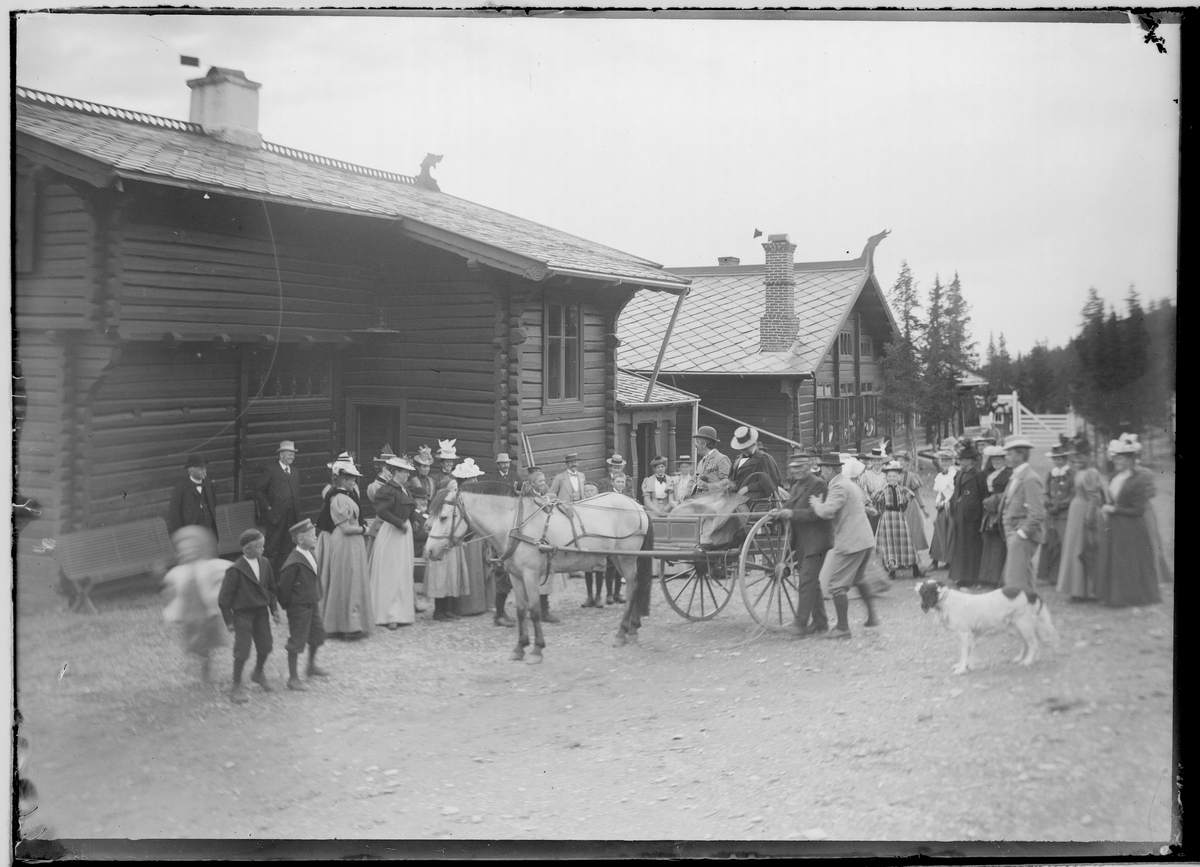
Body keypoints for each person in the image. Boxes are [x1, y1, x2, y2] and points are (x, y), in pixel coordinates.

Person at [808, 453, 880, 639]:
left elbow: (826, 512)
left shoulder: (838, 486)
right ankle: (872, 617)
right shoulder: (849, 483)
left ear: (831, 470)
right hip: (864, 540)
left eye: (822, 469)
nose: (820, 472)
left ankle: (842, 628)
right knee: (857, 579)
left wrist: (816, 503)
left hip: (851, 542)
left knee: (837, 586)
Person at [1096, 434, 1162, 608]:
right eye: (1116, 456)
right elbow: (1112, 498)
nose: (1116, 460)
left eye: (1121, 457)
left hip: (1131, 527)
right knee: (1117, 561)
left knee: (1129, 561)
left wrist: (1114, 509)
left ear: (1132, 459)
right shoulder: (1115, 477)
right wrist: (1107, 505)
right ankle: (1115, 596)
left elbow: (1138, 510)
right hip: (1115, 525)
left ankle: (1131, 597)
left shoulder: (1140, 479)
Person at [218, 528, 280, 704]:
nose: (263, 550)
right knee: (242, 650)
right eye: (259, 547)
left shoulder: (265, 563)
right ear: (247, 550)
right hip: (242, 615)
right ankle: (236, 685)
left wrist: (274, 610)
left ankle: (258, 673)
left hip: (261, 613)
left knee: (266, 645)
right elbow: (223, 599)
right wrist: (229, 621)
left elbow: (271, 589)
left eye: (263, 546)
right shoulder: (235, 570)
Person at [773, 450, 831, 636]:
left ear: (808, 467)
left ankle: (800, 624)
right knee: (812, 582)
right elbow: (790, 507)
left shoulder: (819, 485)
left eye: (799, 468)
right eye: (793, 468)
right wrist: (779, 513)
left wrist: (792, 514)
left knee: (806, 580)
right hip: (802, 543)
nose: (795, 471)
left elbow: (817, 513)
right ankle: (821, 623)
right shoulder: (797, 485)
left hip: (818, 542)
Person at [161, 526, 229, 683]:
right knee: (193, 642)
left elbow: (224, 570)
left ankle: (206, 665)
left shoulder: (208, 566)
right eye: (183, 551)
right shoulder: (179, 571)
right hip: (189, 613)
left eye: (192, 550)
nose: (188, 554)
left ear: (200, 549)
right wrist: (168, 591)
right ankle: (201, 658)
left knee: (207, 639)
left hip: (205, 612)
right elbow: (171, 587)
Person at [316, 459, 372, 640]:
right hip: (346, 542)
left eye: (353, 478)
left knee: (353, 580)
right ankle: (347, 626)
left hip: (353, 544)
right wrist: (364, 530)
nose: (353, 482)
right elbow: (345, 528)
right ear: (341, 479)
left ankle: (352, 623)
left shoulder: (347, 496)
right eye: (350, 478)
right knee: (346, 581)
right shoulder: (338, 499)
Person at [276, 519, 329, 691]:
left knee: (318, 635)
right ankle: (293, 678)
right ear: (300, 540)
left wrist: (317, 595)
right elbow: (283, 588)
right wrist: (289, 607)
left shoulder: (311, 553)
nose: (315, 538)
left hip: (312, 602)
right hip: (298, 607)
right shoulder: (294, 562)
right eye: (312, 536)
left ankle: (311, 667)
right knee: (297, 641)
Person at [369, 455, 419, 630]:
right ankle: (388, 615)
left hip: (403, 534)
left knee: (402, 571)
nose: (408, 475)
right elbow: (382, 511)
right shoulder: (387, 490)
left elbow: (410, 507)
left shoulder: (404, 489)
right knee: (390, 573)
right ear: (396, 472)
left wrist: (414, 520)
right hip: (392, 533)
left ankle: (402, 612)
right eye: (405, 472)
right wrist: (399, 523)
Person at [1055, 441, 1107, 601]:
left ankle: (1088, 591)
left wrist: (1089, 518)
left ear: (1089, 456)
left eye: (1082, 456)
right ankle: (1078, 590)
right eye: (1076, 457)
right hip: (1076, 513)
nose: (1078, 460)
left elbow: (1094, 497)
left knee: (1083, 549)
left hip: (1085, 514)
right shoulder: (1080, 472)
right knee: (1074, 549)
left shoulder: (1090, 473)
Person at [999, 436, 1044, 593]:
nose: (1006, 457)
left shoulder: (1030, 479)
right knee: (1023, 576)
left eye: (1009, 453)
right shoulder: (1016, 476)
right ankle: (1031, 609)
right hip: (1013, 534)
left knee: (1014, 581)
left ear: (1021, 455)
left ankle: (1019, 611)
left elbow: (1037, 513)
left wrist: (1021, 534)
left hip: (1022, 536)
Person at [252, 440, 302, 573]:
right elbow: (258, 490)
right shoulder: (271, 470)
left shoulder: (295, 471)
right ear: (281, 455)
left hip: (292, 518)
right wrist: (268, 508)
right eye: (290, 454)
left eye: (293, 454)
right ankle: (268, 578)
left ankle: (283, 578)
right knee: (272, 549)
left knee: (288, 549)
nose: (292, 456)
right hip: (276, 517)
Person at [451, 458, 491, 616]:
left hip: (478, 536)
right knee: (467, 569)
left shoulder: (476, 495)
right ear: (464, 481)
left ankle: (481, 604)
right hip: (465, 537)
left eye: (475, 477)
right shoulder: (459, 496)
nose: (475, 480)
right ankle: (466, 607)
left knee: (479, 570)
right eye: (472, 478)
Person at [871, 461, 921, 580]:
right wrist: (881, 503)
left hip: (898, 517)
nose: (892, 478)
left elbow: (908, 498)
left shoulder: (902, 490)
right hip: (887, 518)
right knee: (889, 543)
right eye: (889, 476)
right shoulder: (882, 490)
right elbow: (876, 502)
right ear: (886, 478)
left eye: (894, 476)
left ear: (898, 477)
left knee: (905, 541)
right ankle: (892, 570)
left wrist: (904, 501)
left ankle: (915, 568)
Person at [948, 442, 985, 587]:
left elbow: (981, 494)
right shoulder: (959, 475)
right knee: (961, 547)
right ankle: (961, 576)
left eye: (963, 460)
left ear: (971, 461)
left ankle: (972, 577)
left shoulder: (978, 475)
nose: (960, 462)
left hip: (972, 516)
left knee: (972, 547)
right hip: (960, 515)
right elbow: (957, 493)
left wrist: (968, 500)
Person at [1036, 444, 1075, 585]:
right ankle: (1046, 576)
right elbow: (1045, 491)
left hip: (1064, 513)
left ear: (1066, 459)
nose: (1058, 462)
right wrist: (1047, 502)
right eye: (1055, 459)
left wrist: (1059, 505)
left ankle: (1060, 577)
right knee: (1048, 541)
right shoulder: (1051, 473)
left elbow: (1073, 493)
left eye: (1061, 459)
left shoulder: (1071, 474)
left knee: (1062, 542)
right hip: (1051, 514)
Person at [977, 445, 1012, 588]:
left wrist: (992, 502)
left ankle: (997, 578)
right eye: (994, 459)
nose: (996, 462)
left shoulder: (1008, 474)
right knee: (988, 544)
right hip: (988, 512)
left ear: (1005, 460)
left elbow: (1007, 494)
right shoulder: (988, 473)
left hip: (999, 509)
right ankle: (986, 577)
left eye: (1000, 459)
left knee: (999, 545)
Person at [728, 426, 784, 508]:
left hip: (759, 494)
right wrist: (731, 484)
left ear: (753, 444)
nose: (743, 451)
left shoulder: (764, 459)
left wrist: (749, 487)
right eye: (741, 449)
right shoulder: (738, 461)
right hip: (740, 493)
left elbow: (770, 483)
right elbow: (737, 479)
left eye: (746, 448)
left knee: (739, 502)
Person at [166, 455, 219, 540]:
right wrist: (183, 533)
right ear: (191, 471)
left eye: (205, 469)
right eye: (201, 469)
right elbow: (174, 513)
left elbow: (214, 503)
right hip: (191, 531)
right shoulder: (181, 487)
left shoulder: (208, 484)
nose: (205, 472)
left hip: (209, 529)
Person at [894, 451, 930, 573]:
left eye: (903, 461)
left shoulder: (911, 476)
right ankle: (900, 561)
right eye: (898, 461)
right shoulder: (892, 475)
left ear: (907, 463)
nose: (900, 463)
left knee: (911, 532)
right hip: (897, 506)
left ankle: (914, 564)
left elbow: (917, 494)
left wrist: (923, 508)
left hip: (910, 507)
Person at [928, 450, 957, 570]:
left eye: (947, 460)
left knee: (950, 532)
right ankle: (935, 561)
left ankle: (949, 562)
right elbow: (940, 492)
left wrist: (945, 502)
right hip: (942, 507)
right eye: (943, 460)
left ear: (952, 461)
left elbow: (957, 491)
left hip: (952, 505)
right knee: (939, 532)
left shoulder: (955, 474)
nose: (944, 462)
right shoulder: (939, 476)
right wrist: (938, 502)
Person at [856, 445, 888, 534]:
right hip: (871, 505)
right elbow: (862, 489)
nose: (877, 463)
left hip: (884, 504)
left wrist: (882, 496)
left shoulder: (886, 474)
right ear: (871, 461)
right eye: (874, 460)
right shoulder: (866, 474)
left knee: (883, 531)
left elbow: (888, 487)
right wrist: (869, 501)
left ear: (882, 461)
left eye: (878, 460)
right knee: (870, 530)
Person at [693, 426, 731, 496]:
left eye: (697, 441)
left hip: (716, 503)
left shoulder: (721, 459)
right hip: (701, 501)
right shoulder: (701, 462)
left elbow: (728, 483)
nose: (695, 444)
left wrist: (708, 486)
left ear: (704, 444)